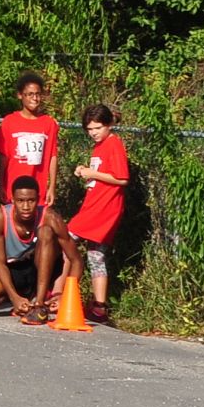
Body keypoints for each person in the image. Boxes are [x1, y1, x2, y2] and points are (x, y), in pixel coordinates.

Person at [0, 177, 77, 321]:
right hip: (15, 268)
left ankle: (39, 303)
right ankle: (23, 301)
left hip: (43, 267)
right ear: (12, 200)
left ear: (38, 200)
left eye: (31, 200)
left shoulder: (50, 217)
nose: (26, 206)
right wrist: (14, 297)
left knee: (45, 231)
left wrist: (66, 296)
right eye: (20, 201)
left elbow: (76, 260)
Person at [66, 103, 129, 324]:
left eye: (98, 128)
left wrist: (92, 173)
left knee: (65, 240)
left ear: (109, 124)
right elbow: (101, 173)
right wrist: (86, 171)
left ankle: (60, 291)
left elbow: (121, 178)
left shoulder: (113, 144)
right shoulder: (100, 146)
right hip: (95, 204)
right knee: (96, 255)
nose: (93, 133)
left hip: (103, 208)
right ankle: (99, 306)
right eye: (90, 129)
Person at [0, 73, 63, 207]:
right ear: (20, 95)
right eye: (30, 94)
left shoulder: (49, 123)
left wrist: (52, 187)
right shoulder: (9, 122)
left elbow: (52, 156)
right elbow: (3, 157)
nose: (35, 98)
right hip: (13, 188)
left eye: (37, 94)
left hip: (38, 190)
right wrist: (0, 185)